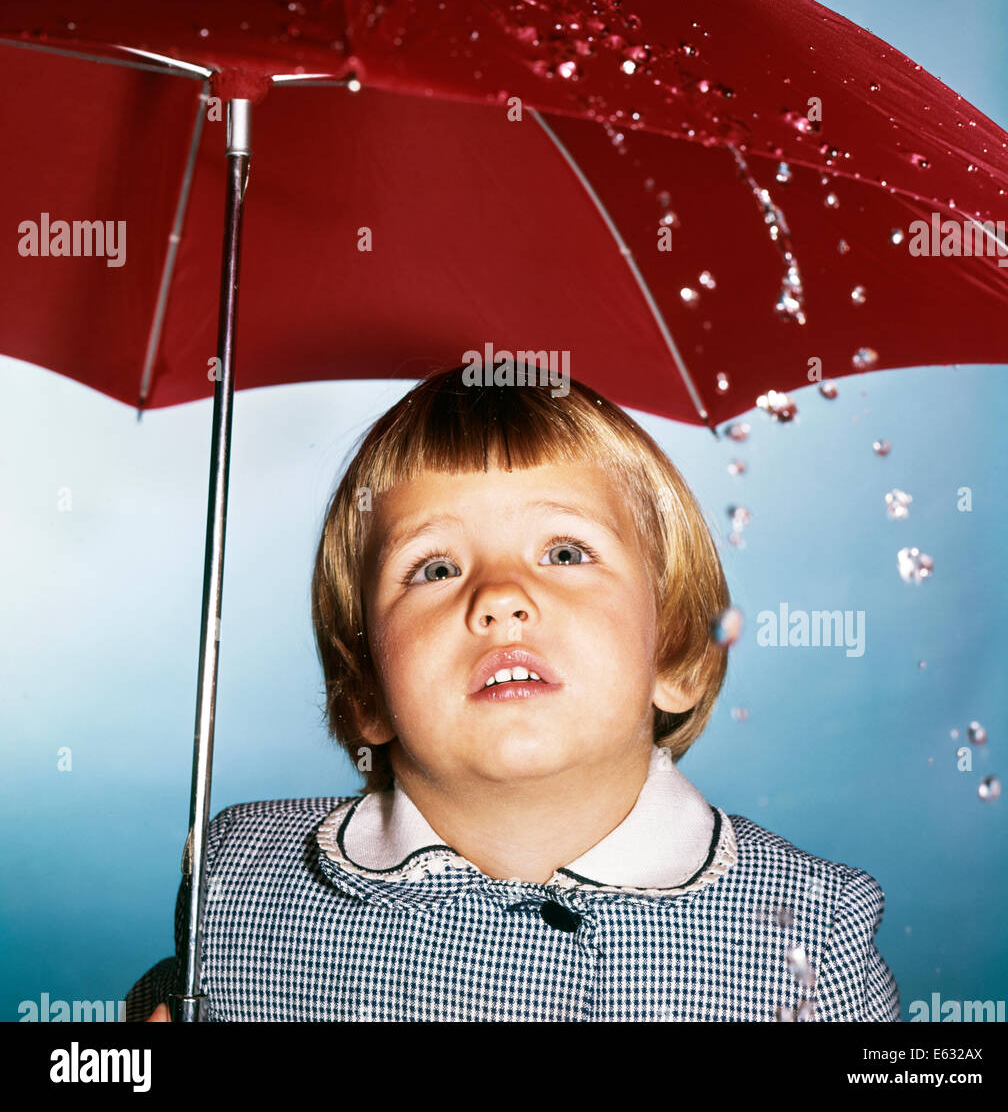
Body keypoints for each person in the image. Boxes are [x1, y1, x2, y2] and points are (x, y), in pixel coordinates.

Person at [129, 362, 898, 1022]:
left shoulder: (809, 935)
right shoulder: (243, 886)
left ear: (674, 656)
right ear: (363, 689)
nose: (500, 596)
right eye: (434, 568)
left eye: (565, 551)